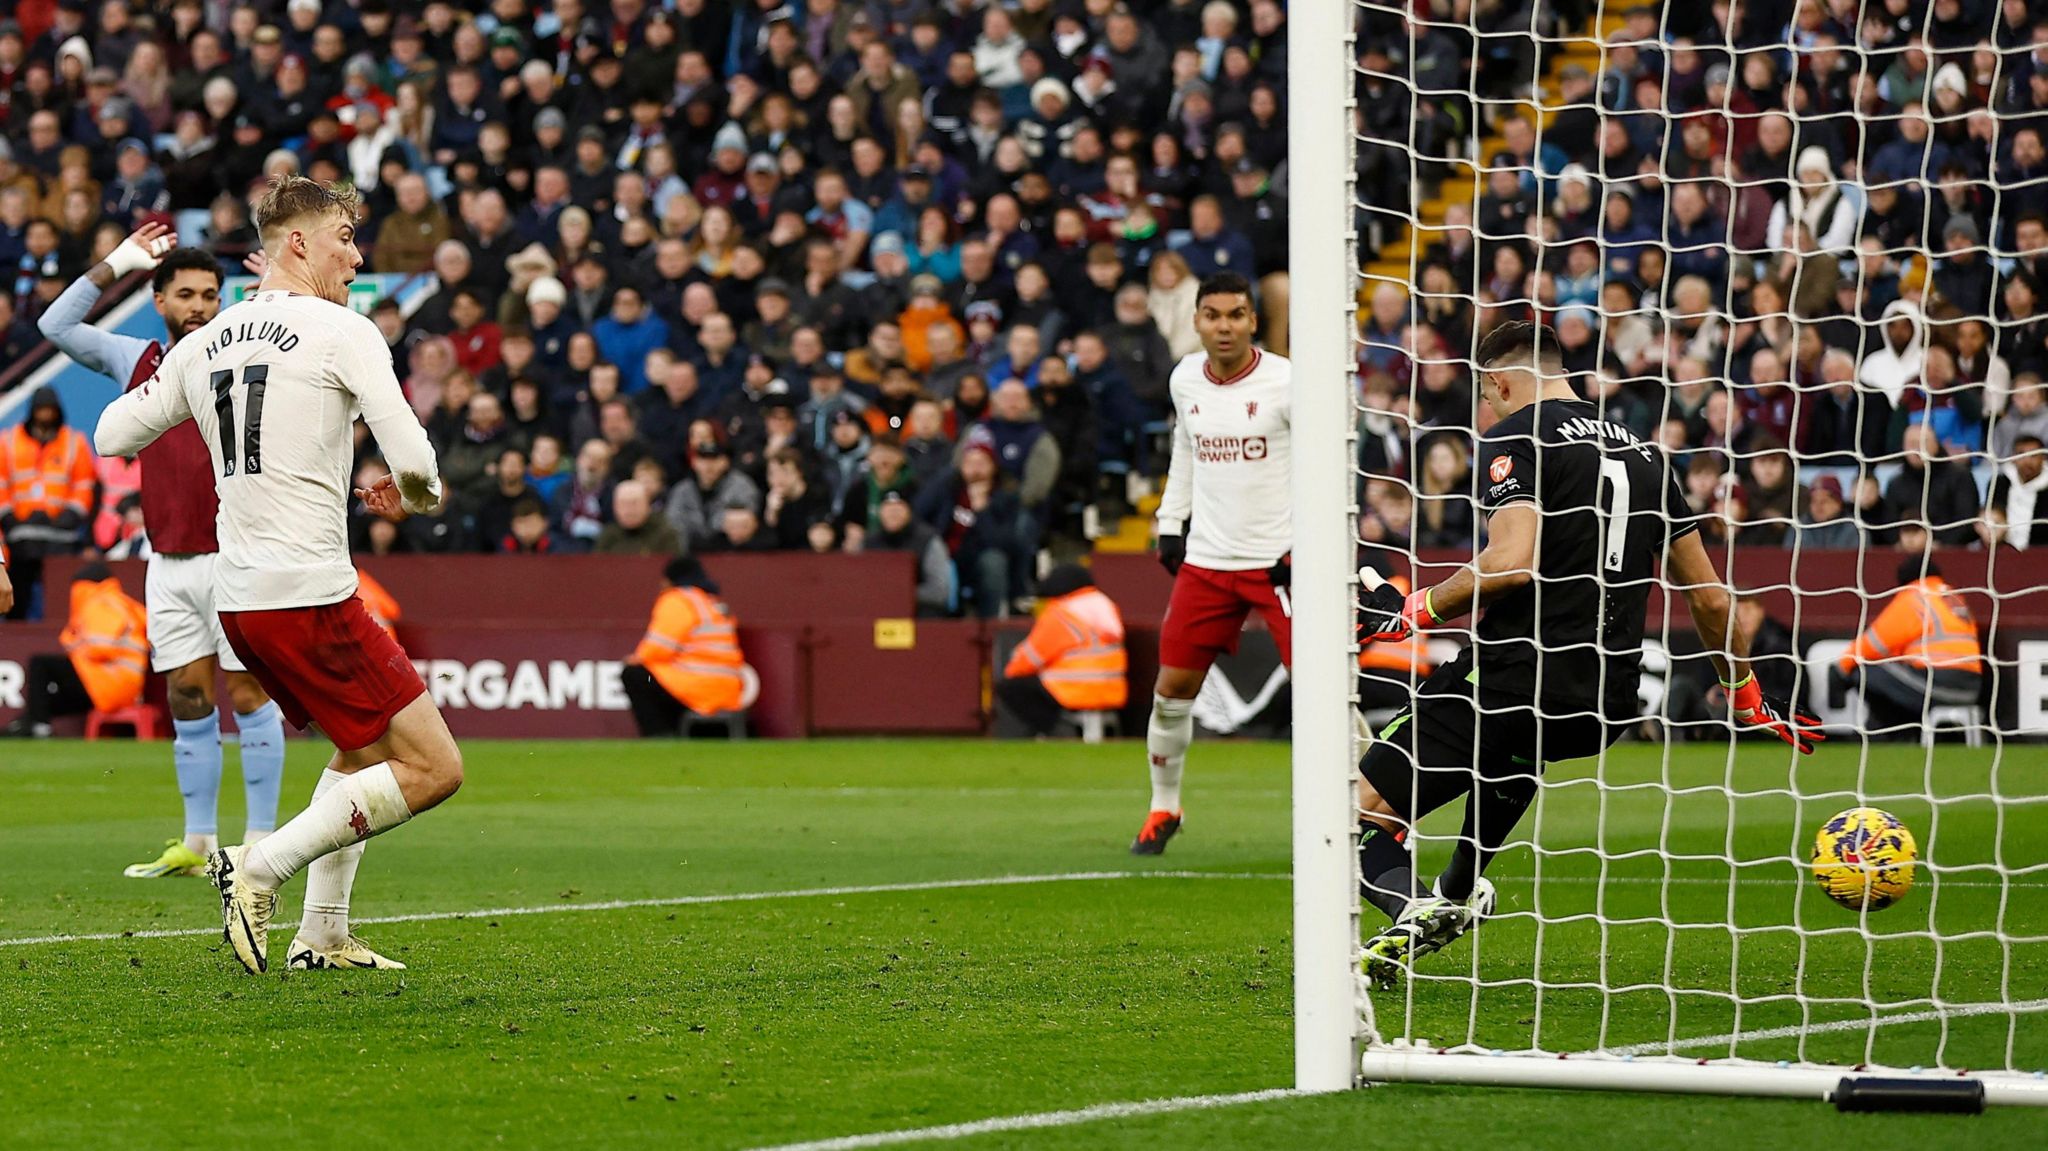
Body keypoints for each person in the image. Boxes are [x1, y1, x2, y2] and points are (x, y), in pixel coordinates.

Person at [1353, 321, 1821, 985]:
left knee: (1353, 812)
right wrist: (1745, 694)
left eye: (1485, 395)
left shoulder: (1517, 436)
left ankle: (1414, 907)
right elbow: (1712, 599)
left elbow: (1511, 562)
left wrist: (1414, 610)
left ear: (1499, 381)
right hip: (1603, 700)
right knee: (1516, 747)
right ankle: (1457, 891)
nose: (1487, 408)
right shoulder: (1648, 455)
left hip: (1513, 674)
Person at [94, 175, 461, 976]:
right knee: (435, 768)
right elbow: (418, 464)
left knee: (363, 750)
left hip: (239, 603)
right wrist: (416, 496)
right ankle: (258, 865)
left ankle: (322, 933)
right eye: (344, 238)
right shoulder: (343, 331)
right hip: (309, 594)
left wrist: (185, 396)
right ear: (297, 242)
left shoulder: (205, 342)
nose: (356, 257)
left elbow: (112, 433)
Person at [38, 222, 287, 879]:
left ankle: (260, 838)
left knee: (249, 690)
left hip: (238, 554)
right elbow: (54, 326)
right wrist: (117, 261)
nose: (199, 307)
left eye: (209, 295)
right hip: (167, 560)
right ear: (159, 300)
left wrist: (284, 293)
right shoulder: (136, 360)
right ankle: (198, 844)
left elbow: (320, 343)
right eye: (185, 295)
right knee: (186, 695)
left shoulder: (244, 348)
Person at [1139, 271, 1293, 855]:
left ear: (1253, 320)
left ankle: (1377, 812)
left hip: (1277, 564)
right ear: (1197, 321)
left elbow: (1322, 466)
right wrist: (1169, 521)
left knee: (1327, 695)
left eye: (1235, 315)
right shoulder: (1185, 378)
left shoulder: (1287, 382)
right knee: (1171, 691)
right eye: (1213, 315)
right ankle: (1163, 807)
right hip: (1207, 562)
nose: (1224, 326)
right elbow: (1186, 448)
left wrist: (1302, 547)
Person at [1828, 556, 1985, 737]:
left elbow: (1874, 642)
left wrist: (1841, 668)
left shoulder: (1915, 596)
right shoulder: (1952, 597)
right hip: (1971, 689)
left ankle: (1885, 732)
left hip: (1937, 683)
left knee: (1864, 671)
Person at [1, 564, 147, 738]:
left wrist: (76, 647)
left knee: (40, 664)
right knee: (45, 701)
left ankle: (39, 726)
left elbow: (100, 648)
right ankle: (28, 724)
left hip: (107, 682)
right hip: (126, 689)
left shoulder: (102, 604)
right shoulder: (125, 603)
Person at [621, 555, 757, 736]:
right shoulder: (714, 603)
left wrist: (637, 658)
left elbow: (659, 647)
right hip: (729, 690)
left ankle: (660, 736)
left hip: (695, 688)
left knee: (635, 674)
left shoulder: (677, 600)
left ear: (669, 581)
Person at [996, 564, 1128, 738]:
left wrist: (1011, 670)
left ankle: (1055, 732)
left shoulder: (1062, 612)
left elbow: (1031, 656)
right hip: (1111, 690)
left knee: (1010, 687)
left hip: (1071, 689)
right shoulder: (1105, 605)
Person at [1, 385, 97, 620]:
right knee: (18, 599)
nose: (45, 415)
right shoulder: (9, 442)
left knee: (59, 602)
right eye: (41, 409)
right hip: (21, 534)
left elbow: (85, 484)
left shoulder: (74, 442)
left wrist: (70, 515)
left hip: (61, 534)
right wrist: (9, 516)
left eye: (49, 409)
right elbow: (1, 483)